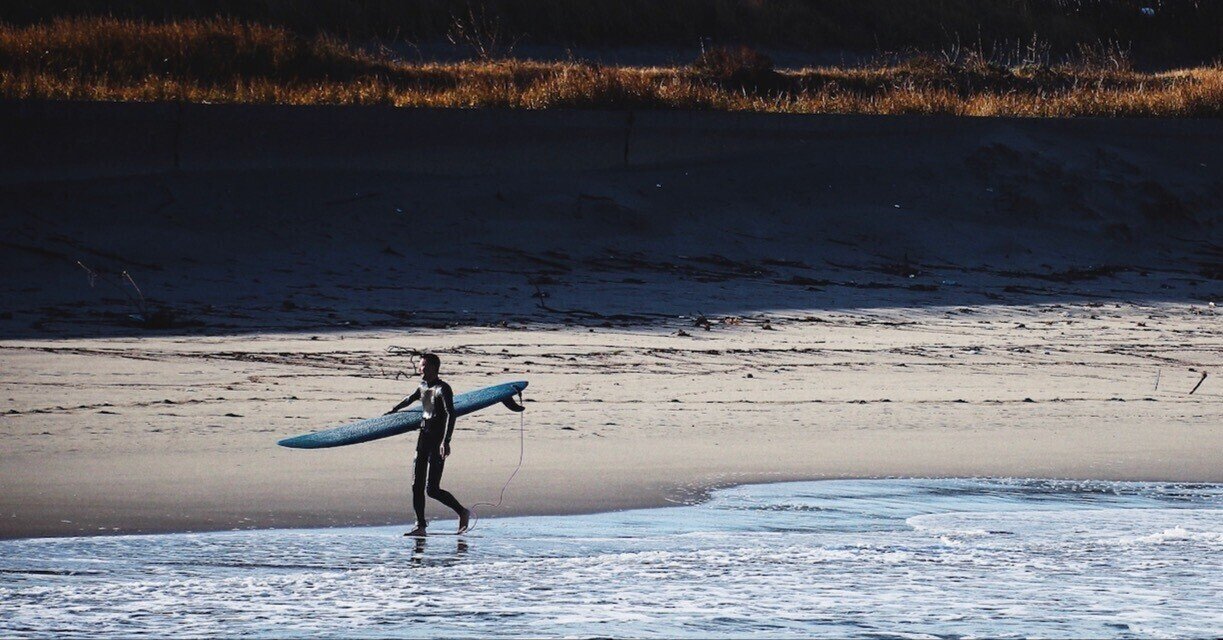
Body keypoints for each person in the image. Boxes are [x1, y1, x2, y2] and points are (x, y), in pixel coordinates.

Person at [385, 353, 470, 536]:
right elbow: (412, 397)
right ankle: (420, 526)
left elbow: (451, 414)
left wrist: (445, 442)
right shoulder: (422, 385)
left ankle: (462, 512)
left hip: (437, 441)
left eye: (422, 365)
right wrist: (395, 409)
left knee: (432, 489)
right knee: (416, 485)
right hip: (423, 438)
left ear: (432, 367)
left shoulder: (443, 388)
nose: (419, 368)